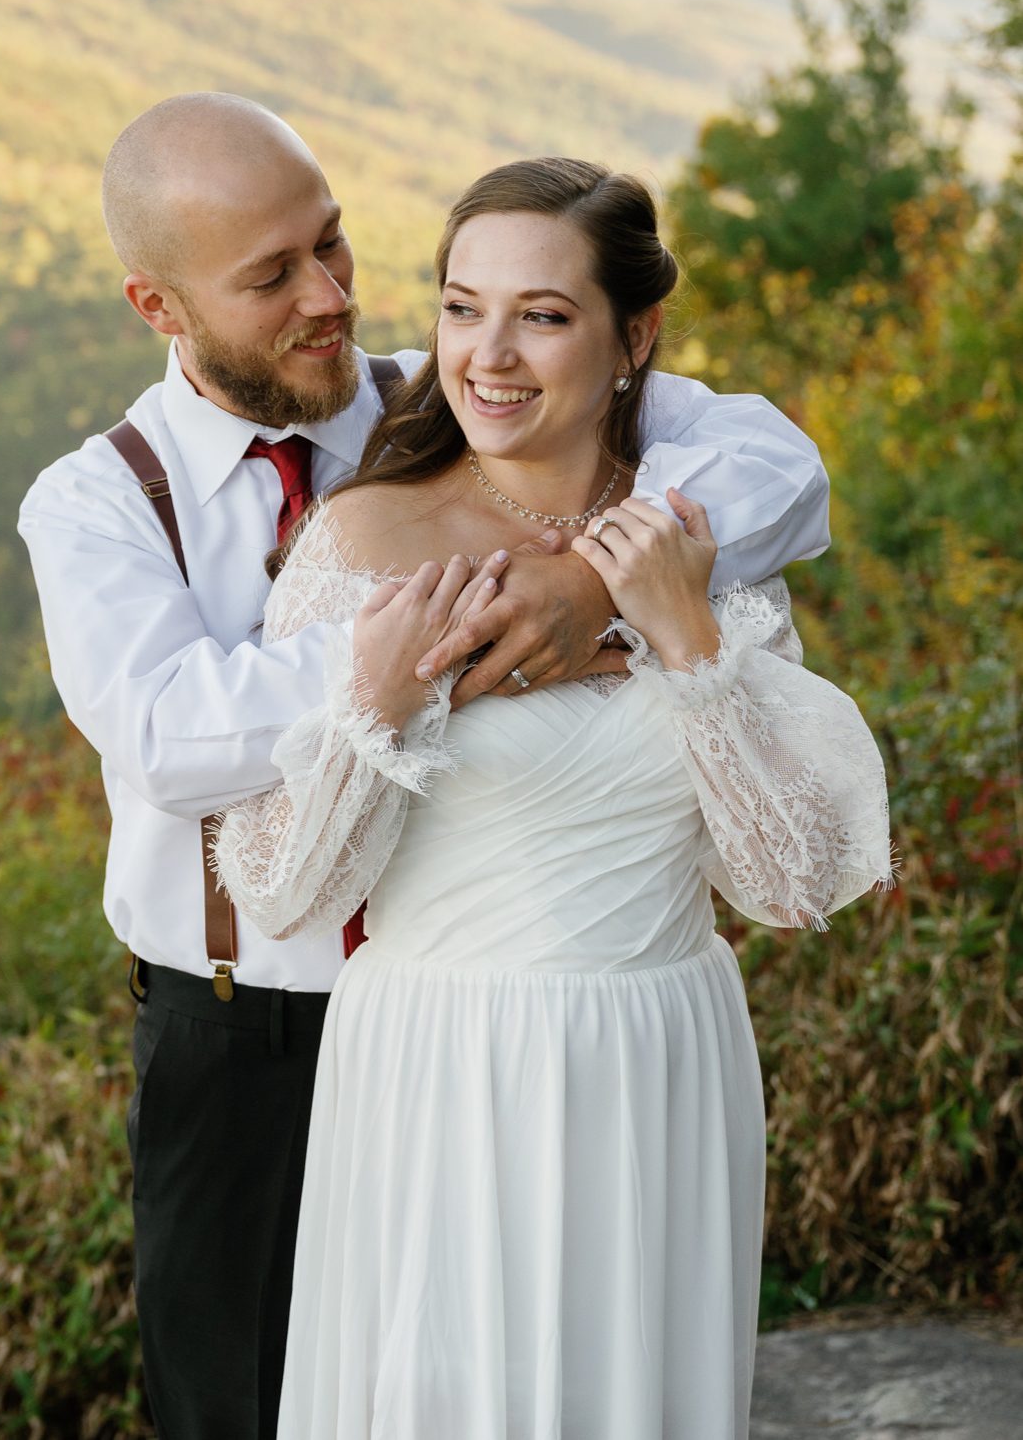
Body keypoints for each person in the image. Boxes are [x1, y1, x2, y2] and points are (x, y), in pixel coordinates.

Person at [17, 94, 833, 1440]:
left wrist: (591, 581)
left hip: (558, 1021)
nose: (331, 297)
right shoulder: (101, 499)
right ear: (156, 305)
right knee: (245, 1405)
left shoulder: (468, 381)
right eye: (272, 277)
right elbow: (169, 736)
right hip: (252, 1029)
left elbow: (776, 467)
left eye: (333, 246)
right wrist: (427, 647)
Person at [211, 156, 893, 1439]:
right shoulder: (363, 540)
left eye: (542, 313)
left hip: (656, 1058)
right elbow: (283, 887)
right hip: (437, 1063)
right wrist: (372, 702)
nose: (487, 354)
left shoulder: (699, 546)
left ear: (633, 337)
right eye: (461, 307)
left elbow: (792, 885)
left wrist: (685, 643)